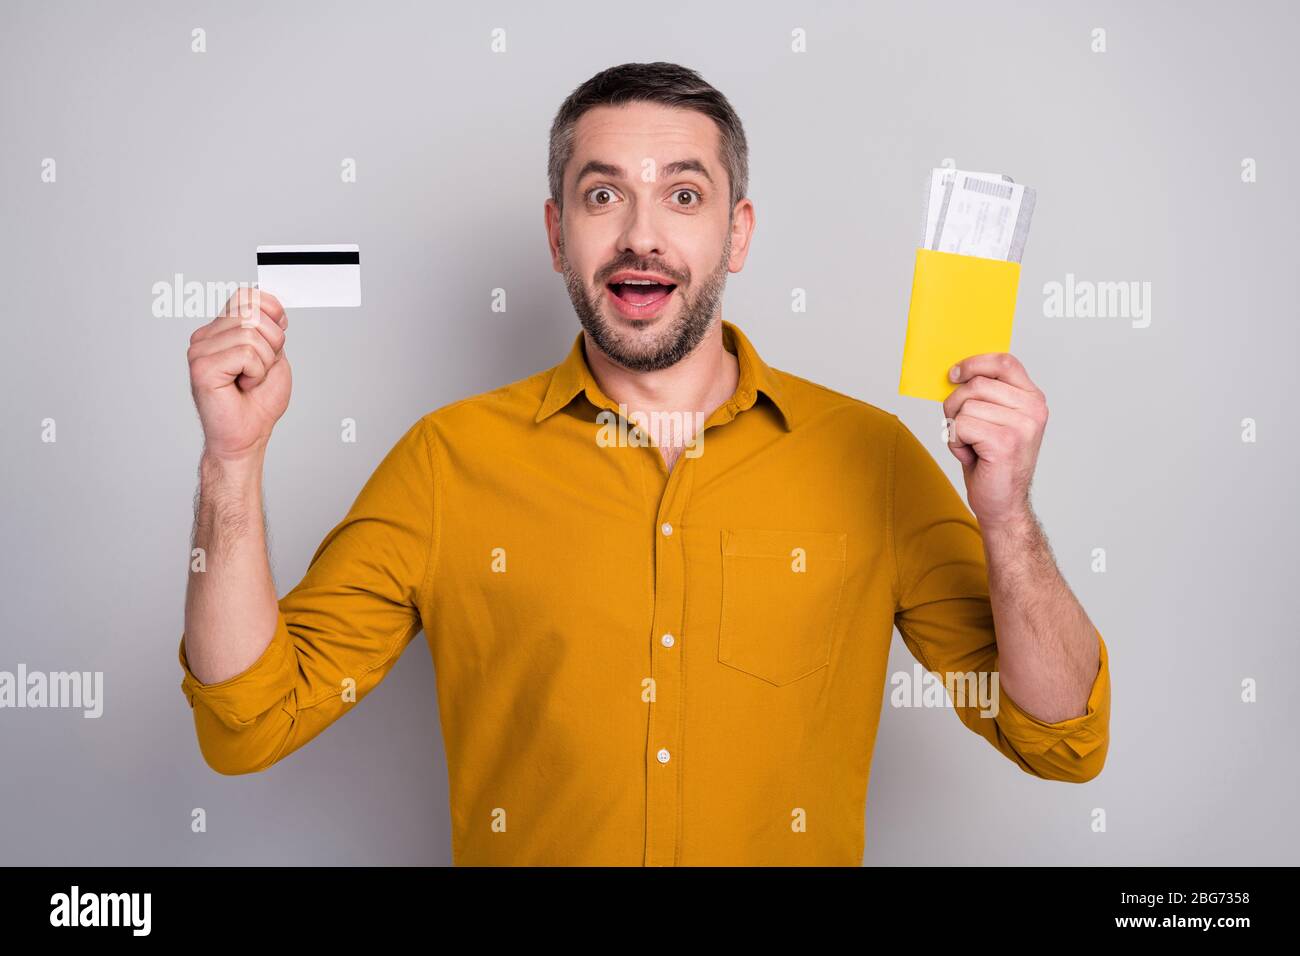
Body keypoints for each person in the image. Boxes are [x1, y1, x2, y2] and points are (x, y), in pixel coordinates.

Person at [178, 61, 1110, 866]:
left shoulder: (874, 461)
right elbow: (250, 723)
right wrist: (233, 456)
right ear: (556, 235)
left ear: (737, 234)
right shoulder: (445, 463)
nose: (641, 235)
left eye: (685, 195)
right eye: (603, 194)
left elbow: (1060, 739)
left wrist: (1009, 518)